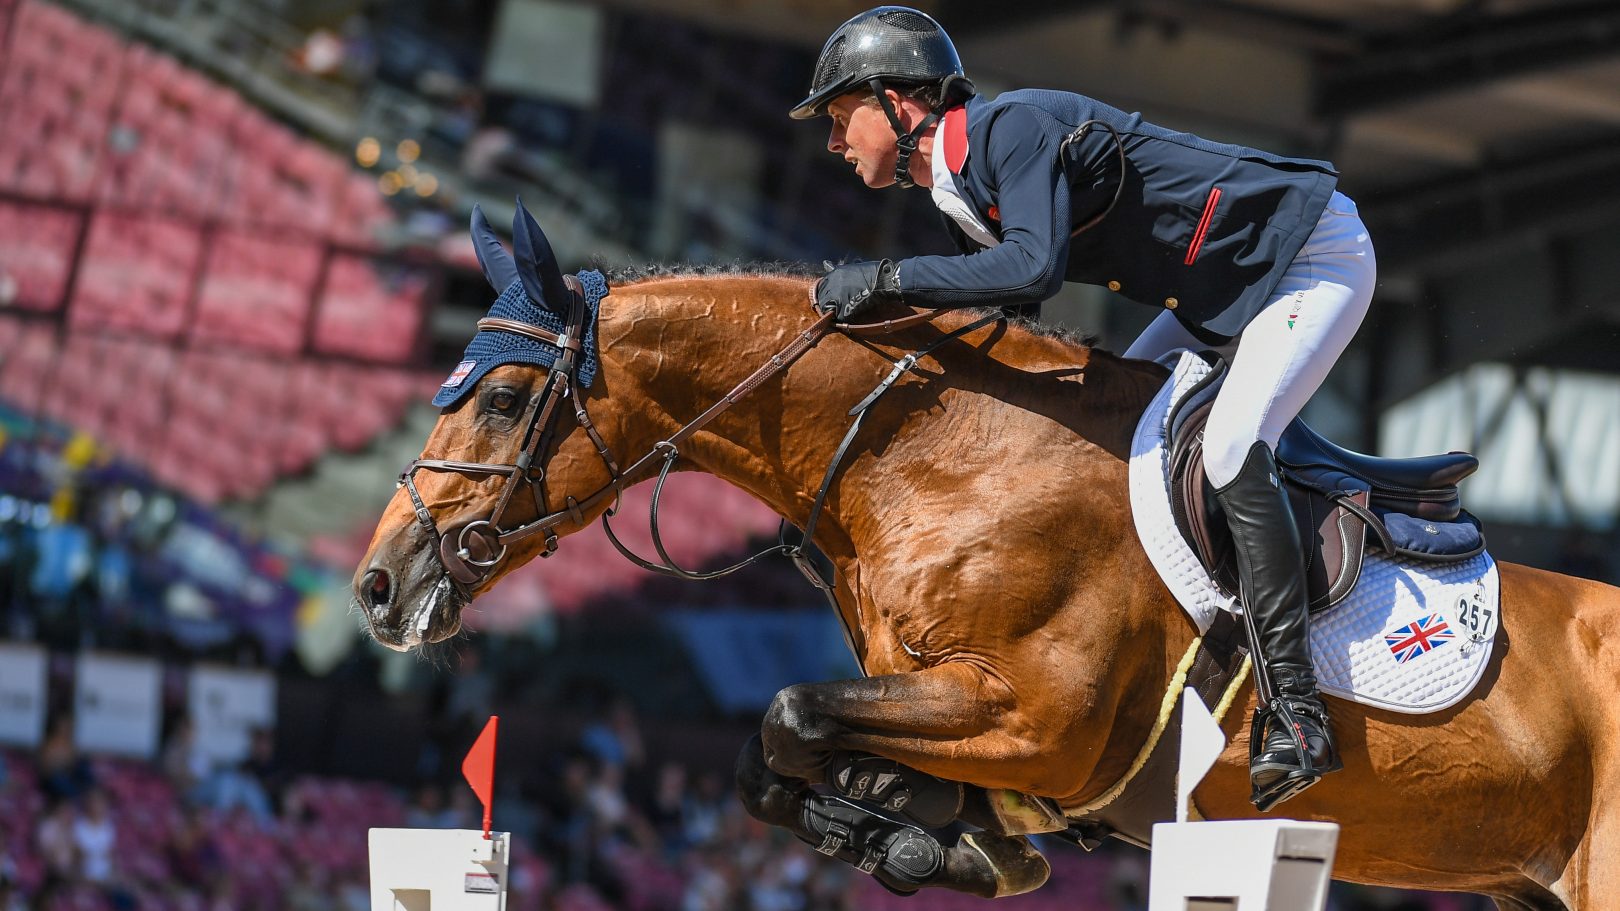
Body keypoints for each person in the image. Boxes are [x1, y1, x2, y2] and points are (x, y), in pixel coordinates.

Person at [794, 6, 1374, 809]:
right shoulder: (957, 190)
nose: (833, 141)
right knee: (1109, 442)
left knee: (1235, 446)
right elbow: (997, 320)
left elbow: (1030, 269)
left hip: (1303, 257)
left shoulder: (1008, 130)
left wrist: (889, 280)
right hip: (1216, 294)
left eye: (838, 116)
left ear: (900, 100)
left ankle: (1298, 712)